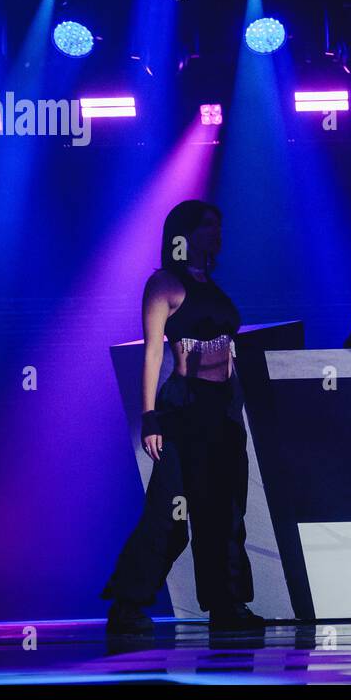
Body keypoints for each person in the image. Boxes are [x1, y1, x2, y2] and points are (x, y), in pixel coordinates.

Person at [101, 200, 266, 635]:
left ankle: (227, 604)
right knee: (170, 514)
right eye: (208, 226)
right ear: (184, 234)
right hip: (184, 408)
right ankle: (128, 602)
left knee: (225, 511)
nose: (217, 233)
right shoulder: (164, 283)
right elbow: (153, 350)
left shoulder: (211, 284)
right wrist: (150, 417)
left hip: (222, 411)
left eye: (219, 225)